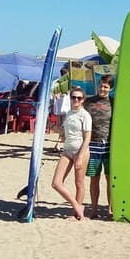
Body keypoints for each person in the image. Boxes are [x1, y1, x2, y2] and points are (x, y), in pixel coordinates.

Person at [51, 86, 92, 220]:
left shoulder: (85, 115)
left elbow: (87, 137)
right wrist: (53, 127)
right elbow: (65, 133)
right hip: (67, 150)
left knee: (79, 183)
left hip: (80, 151)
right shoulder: (68, 113)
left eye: (79, 98)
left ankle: (76, 213)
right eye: (73, 97)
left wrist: (80, 156)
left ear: (83, 100)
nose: (76, 100)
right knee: (56, 183)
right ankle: (77, 206)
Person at [83, 75, 113, 219]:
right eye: (101, 86)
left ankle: (110, 209)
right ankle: (94, 209)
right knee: (94, 178)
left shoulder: (114, 103)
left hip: (109, 146)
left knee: (110, 179)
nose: (102, 89)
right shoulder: (89, 102)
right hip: (93, 145)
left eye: (106, 87)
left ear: (110, 88)